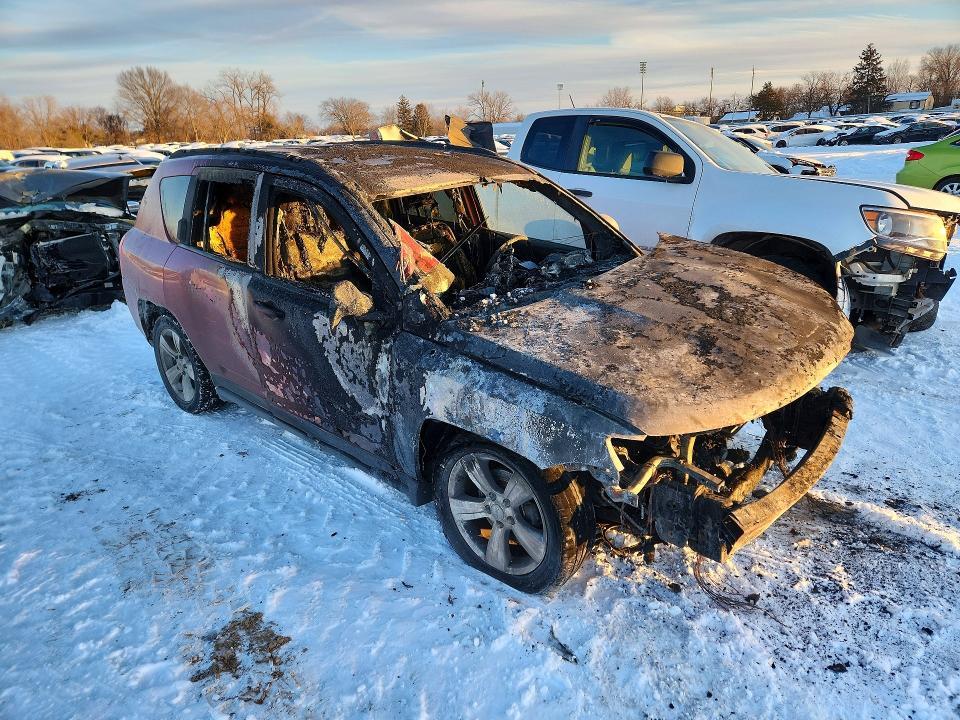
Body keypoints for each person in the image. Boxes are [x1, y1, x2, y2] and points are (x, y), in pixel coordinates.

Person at [208, 191, 250, 261]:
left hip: (233, 260)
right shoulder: (249, 211)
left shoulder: (223, 215)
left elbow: (218, 244)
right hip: (249, 258)